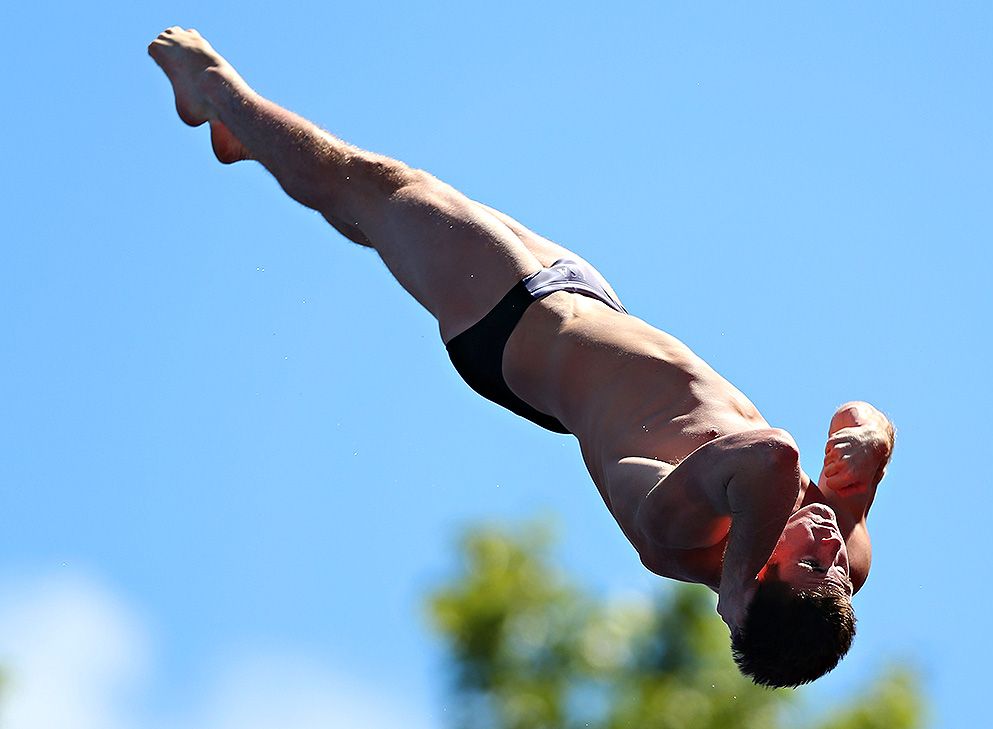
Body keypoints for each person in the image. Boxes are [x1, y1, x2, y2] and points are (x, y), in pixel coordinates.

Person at [148, 27, 896, 688]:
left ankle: (215, 90)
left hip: (505, 322)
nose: (831, 548)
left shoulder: (675, 534)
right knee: (380, 218)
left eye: (809, 564)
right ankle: (256, 139)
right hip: (587, 303)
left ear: (754, 575)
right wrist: (874, 437)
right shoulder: (829, 551)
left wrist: (736, 589)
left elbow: (771, 453)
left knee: (375, 189)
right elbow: (854, 434)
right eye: (835, 572)